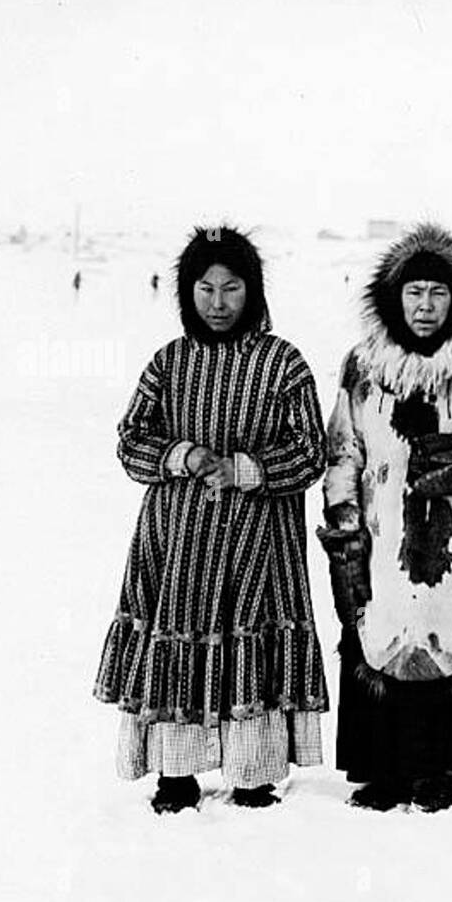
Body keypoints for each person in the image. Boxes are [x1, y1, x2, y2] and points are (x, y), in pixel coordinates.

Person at [94, 226, 329, 813]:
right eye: (205, 289)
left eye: (231, 288)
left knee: (252, 635)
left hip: (259, 542)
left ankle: (254, 773)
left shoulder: (282, 363)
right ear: (186, 292)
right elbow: (129, 442)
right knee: (180, 636)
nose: (219, 304)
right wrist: (183, 456)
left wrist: (245, 469)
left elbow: (310, 451)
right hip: (178, 542)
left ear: (253, 291)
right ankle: (177, 773)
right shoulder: (169, 362)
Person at [323, 222, 452, 813]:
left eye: (437, 294)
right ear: (392, 298)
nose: (425, 307)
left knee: (449, 632)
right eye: (414, 293)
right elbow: (344, 447)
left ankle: (442, 768)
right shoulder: (363, 366)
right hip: (381, 529)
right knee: (381, 633)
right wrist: (344, 516)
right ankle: (384, 769)